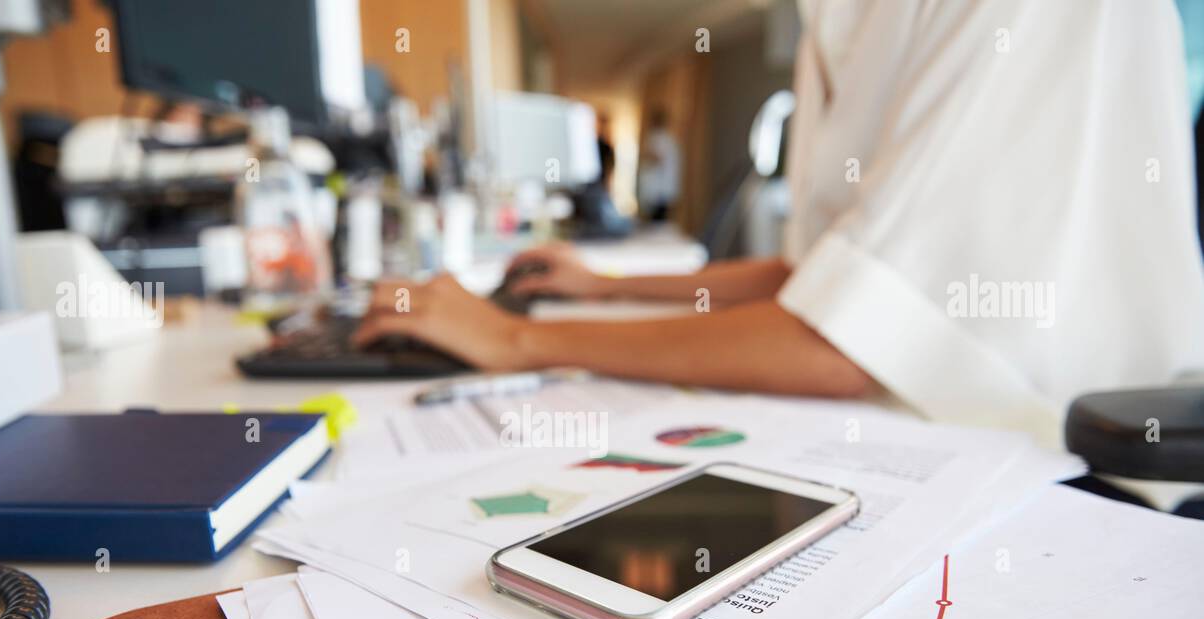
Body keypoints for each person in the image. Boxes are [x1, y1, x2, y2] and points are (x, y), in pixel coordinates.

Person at [355, 0, 1204, 443]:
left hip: (1062, 454)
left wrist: (517, 343)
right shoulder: (834, 19)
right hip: (919, 434)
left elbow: (842, 343)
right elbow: (827, 275)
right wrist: (604, 287)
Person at [636, 108, 681, 221]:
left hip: (658, 191)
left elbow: (657, 158)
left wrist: (645, 156)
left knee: (656, 223)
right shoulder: (669, 140)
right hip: (664, 190)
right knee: (659, 221)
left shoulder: (658, 138)